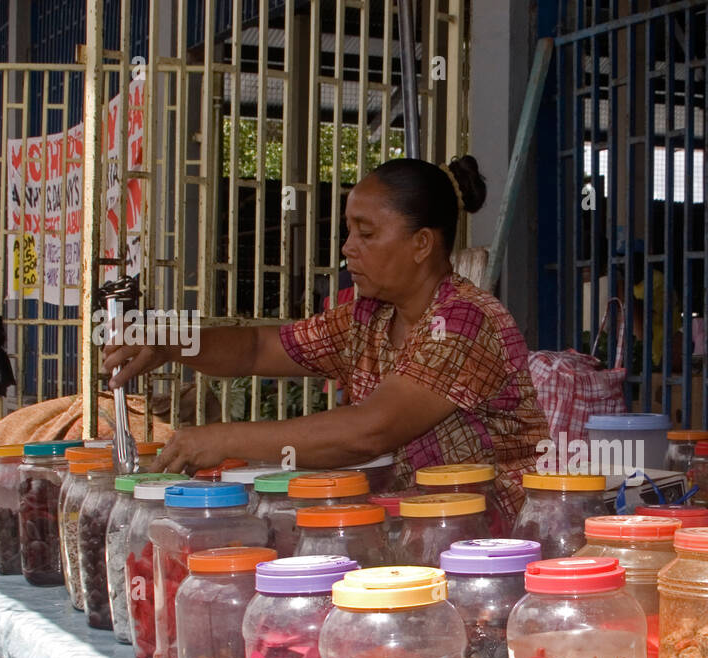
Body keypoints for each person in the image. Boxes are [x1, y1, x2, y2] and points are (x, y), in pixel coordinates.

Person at [104, 156, 550, 523]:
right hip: (416, 530)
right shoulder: (369, 317)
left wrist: (221, 440)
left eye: (366, 233)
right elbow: (259, 348)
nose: (347, 248)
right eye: (349, 231)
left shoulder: (464, 321)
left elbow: (369, 430)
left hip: (494, 543)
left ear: (421, 244)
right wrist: (172, 342)